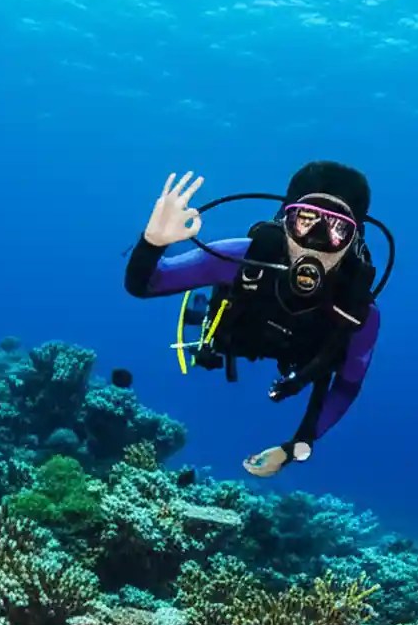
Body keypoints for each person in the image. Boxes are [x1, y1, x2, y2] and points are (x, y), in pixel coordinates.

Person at [123, 161, 384, 478]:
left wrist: (294, 448)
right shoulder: (241, 256)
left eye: (337, 230)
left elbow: (346, 386)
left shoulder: (358, 313)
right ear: (285, 220)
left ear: (354, 240)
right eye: (305, 220)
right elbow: (146, 284)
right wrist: (153, 242)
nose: (315, 242)